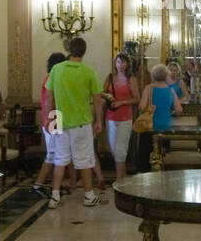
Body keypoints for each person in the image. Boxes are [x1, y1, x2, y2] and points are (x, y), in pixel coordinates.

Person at [42, 36, 104, 208]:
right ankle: (89, 196)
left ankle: (54, 197)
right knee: (85, 160)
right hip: (82, 122)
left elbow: (48, 96)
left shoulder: (56, 70)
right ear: (84, 51)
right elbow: (97, 99)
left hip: (61, 121)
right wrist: (99, 121)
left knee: (60, 159)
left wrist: (49, 118)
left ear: (69, 50)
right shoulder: (88, 71)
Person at [32, 52, 70, 198]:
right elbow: (51, 100)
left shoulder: (50, 77)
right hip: (53, 118)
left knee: (56, 154)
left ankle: (55, 185)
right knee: (53, 154)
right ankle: (38, 185)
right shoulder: (53, 78)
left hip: (53, 118)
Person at [101, 52, 142, 182]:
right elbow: (102, 92)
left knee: (121, 150)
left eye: (123, 62)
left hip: (125, 117)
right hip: (111, 116)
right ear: (115, 63)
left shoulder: (132, 79)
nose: (120, 64)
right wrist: (108, 96)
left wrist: (122, 102)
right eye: (118, 62)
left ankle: (119, 180)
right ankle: (123, 178)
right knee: (114, 149)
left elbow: (137, 99)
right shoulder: (110, 77)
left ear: (127, 64)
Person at [140, 63, 183, 134]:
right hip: (166, 124)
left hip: (149, 124)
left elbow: (141, 107)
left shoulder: (149, 88)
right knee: (164, 144)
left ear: (153, 76)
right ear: (166, 76)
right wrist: (171, 113)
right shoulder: (171, 90)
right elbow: (179, 110)